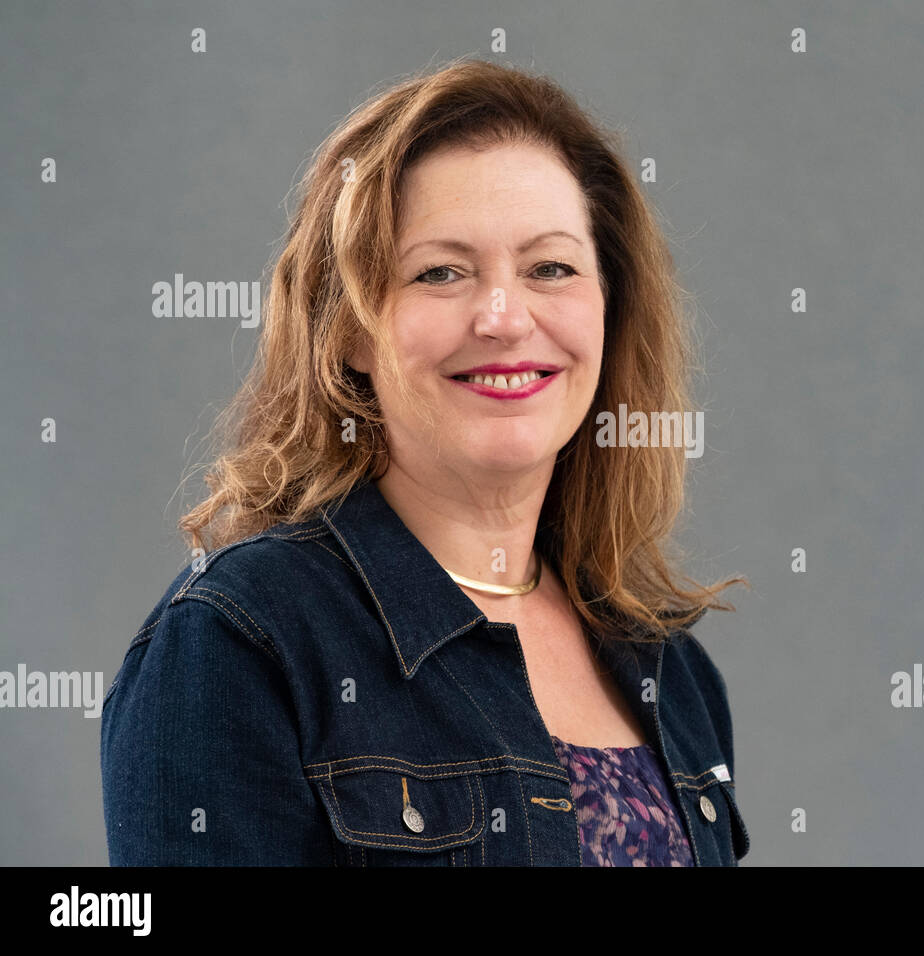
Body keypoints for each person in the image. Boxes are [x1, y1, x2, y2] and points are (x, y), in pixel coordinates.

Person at [100, 58, 751, 866]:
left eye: (551, 267)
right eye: (439, 272)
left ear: (610, 309)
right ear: (346, 332)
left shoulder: (667, 664)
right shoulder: (241, 640)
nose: (505, 318)